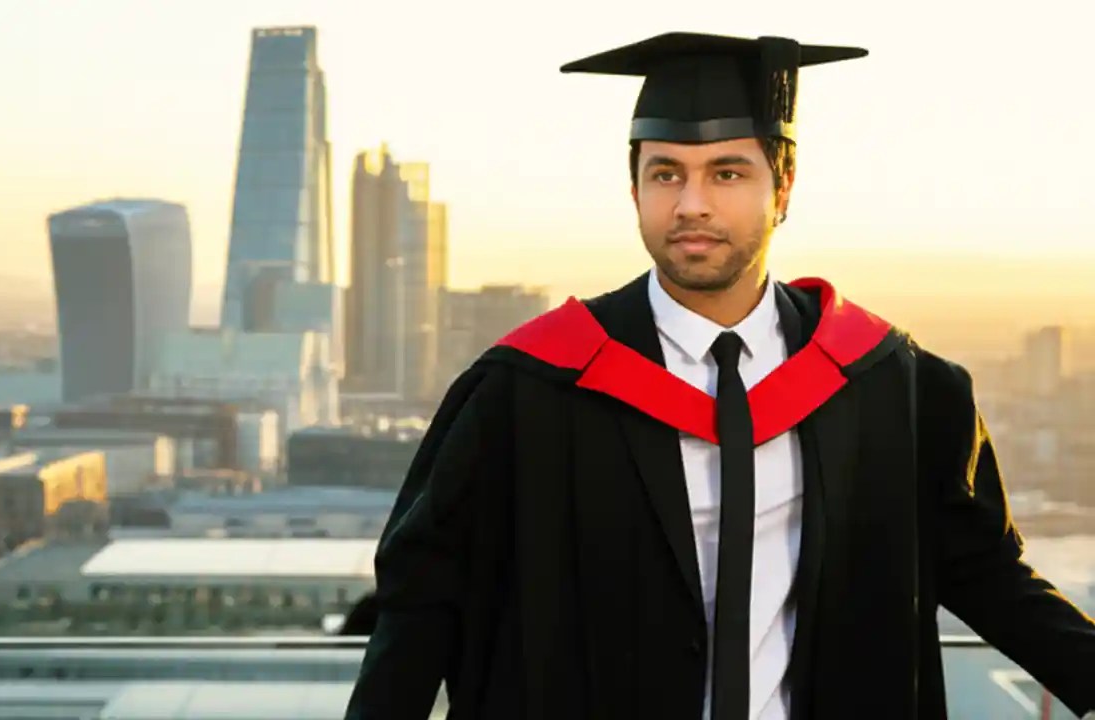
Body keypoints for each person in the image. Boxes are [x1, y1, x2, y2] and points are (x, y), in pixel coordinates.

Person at [344, 31, 1095, 719]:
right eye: (666, 173)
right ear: (633, 188)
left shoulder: (889, 385)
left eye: (727, 172)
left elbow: (990, 576)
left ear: (784, 185)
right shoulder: (530, 389)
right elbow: (422, 605)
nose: (692, 205)